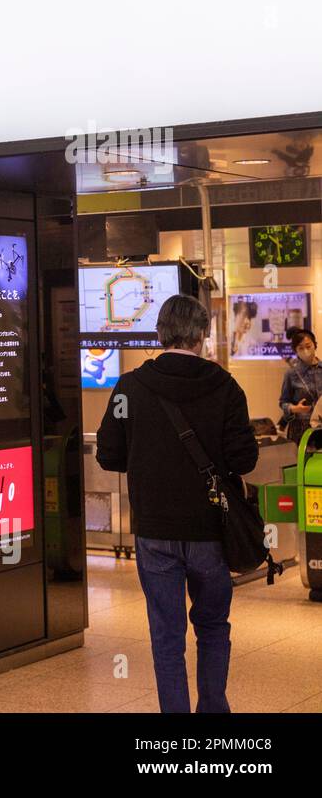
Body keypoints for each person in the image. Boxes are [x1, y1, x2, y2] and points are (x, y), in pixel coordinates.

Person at [95, 296, 257, 713]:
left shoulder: (129, 387)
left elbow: (108, 455)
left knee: (166, 634)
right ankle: (214, 709)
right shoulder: (225, 386)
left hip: (155, 531)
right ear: (202, 335)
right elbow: (244, 460)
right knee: (213, 626)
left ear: (160, 333)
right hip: (211, 532)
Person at [279, 328, 322, 442]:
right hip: (300, 429)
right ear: (295, 351)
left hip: (321, 426)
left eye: (308, 346)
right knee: (301, 459)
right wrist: (294, 408)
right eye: (301, 348)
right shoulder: (291, 373)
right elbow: (283, 402)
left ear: (315, 345)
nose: (306, 351)